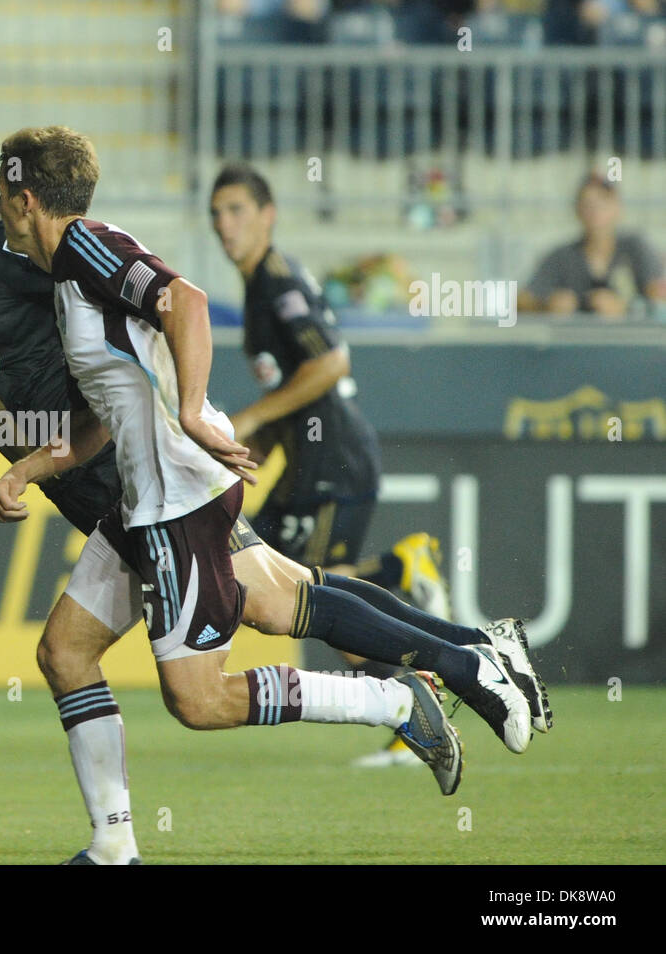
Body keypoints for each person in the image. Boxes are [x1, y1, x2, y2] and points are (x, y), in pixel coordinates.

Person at [0, 133, 544, 863]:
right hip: (118, 496)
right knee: (140, 637)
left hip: (141, 488)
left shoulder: (10, 261)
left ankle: (414, 692)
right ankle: (464, 655)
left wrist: (125, 431)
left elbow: (152, 321)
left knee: (207, 683)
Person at [0, 126, 544, 863]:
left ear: (26, 200)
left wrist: (190, 411)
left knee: (198, 698)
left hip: (175, 498)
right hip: (146, 494)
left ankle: (403, 696)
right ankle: (474, 653)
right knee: (79, 648)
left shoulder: (85, 246)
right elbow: (103, 415)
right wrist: (29, 469)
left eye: (2, 196)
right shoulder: (73, 270)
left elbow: (184, 300)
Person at [210, 162, 451, 766]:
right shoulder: (262, 285)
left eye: (237, 210)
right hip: (319, 461)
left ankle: (407, 708)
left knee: (299, 594)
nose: (224, 224)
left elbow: (332, 362)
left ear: (267, 215)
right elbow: (298, 388)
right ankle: (399, 572)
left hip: (330, 462)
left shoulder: (277, 281)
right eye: (216, 213)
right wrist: (248, 449)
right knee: (307, 589)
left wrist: (252, 419)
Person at [518, 173, 666, 319]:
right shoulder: (562, 256)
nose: (595, 211)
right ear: (578, 210)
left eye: (603, 203)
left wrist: (626, 308)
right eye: (588, 204)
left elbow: (658, 297)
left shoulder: (636, 248)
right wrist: (546, 305)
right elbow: (523, 299)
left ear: (618, 208)